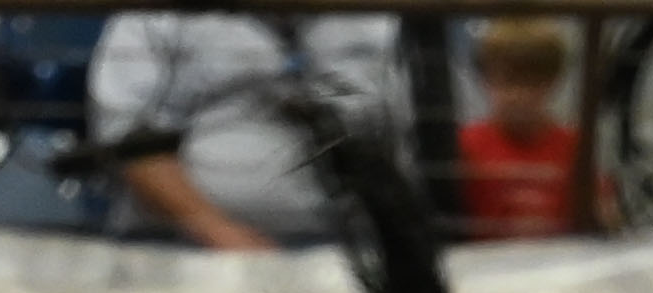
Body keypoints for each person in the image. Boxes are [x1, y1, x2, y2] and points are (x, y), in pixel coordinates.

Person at [91, 12, 412, 247]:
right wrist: (221, 234)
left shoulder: (382, 20)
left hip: (353, 251)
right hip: (181, 248)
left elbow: (432, 137)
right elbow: (131, 146)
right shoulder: (154, 17)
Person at [455, 17, 587, 241]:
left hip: (561, 266)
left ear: (553, 82)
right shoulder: (465, 145)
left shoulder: (575, 146)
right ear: (485, 80)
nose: (520, 95)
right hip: (484, 266)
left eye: (532, 84)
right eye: (507, 82)